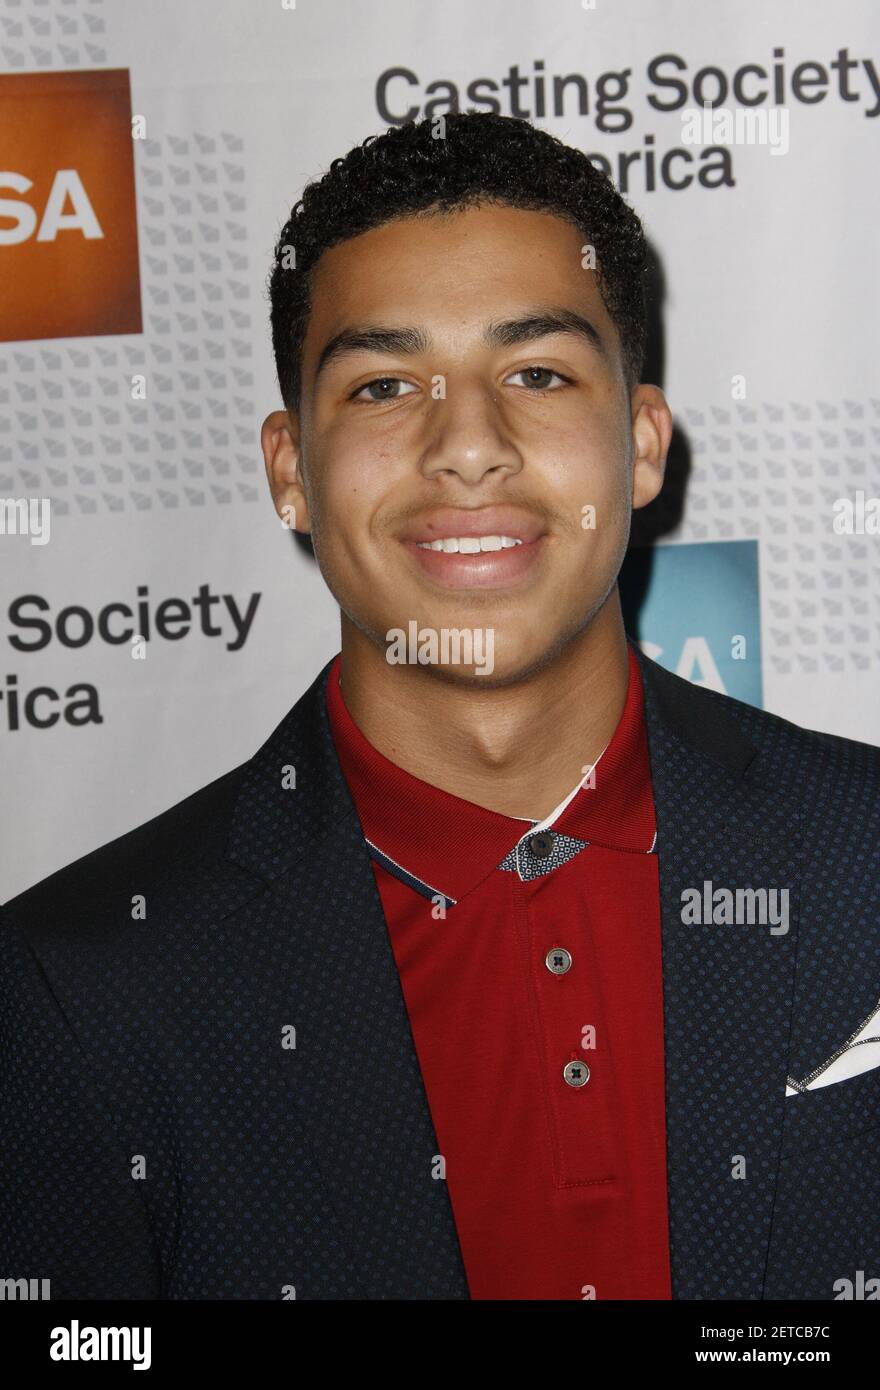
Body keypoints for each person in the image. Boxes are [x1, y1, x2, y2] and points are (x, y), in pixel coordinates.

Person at [2, 113, 878, 1301]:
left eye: (535, 372)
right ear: (291, 472)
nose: (468, 445)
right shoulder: (80, 987)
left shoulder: (861, 853)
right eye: (383, 384)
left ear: (639, 442)